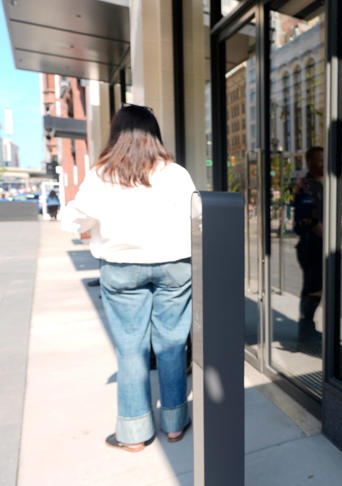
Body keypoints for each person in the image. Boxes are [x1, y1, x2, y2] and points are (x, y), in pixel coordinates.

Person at [61, 105, 196, 452]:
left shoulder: (102, 173)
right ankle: (175, 424)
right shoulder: (175, 173)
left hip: (122, 267)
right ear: (154, 133)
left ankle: (135, 433)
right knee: (171, 345)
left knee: (131, 349)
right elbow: (198, 217)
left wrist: (90, 231)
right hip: (174, 266)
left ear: (117, 133)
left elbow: (74, 221)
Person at [293, 146, 324, 351]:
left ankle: (310, 330)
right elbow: (305, 220)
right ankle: (305, 333)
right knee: (312, 290)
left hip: (325, 244)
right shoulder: (306, 186)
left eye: (324, 159)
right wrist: (319, 229)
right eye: (318, 160)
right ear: (310, 162)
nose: (322, 163)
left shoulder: (329, 183)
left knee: (321, 289)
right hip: (311, 245)